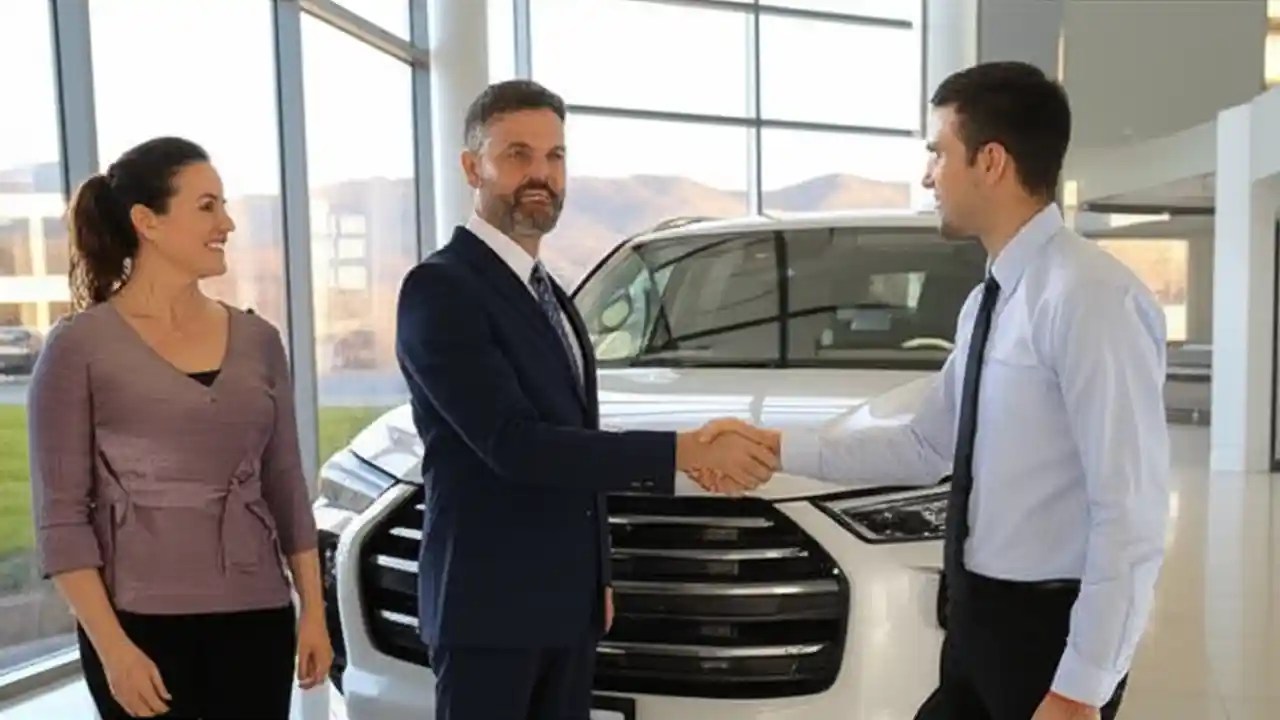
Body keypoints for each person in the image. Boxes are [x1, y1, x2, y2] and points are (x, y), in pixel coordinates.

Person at [698, 61, 1169, 720]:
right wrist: (773, 447)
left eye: (938, 153)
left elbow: (1131, 512)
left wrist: (1080, 689)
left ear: (992, 161)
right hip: (979, 625)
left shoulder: (1091, 299)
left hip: (1047, 637)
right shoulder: (988, 302)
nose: (927, 176)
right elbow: (926, 444)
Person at [394, 79, 778, 720]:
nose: (540, 174)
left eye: (555, 156)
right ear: (472, 166)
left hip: (565, 609)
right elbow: (514, 445)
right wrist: (684, 451)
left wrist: (594, 576)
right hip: (488, 611)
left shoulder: (550, 294)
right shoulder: (441, 290)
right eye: (517, 154)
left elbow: (575, 431)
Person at [28, 136, 333, 719]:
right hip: (138, 628)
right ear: (147, 221)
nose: (228, 222)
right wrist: (113, 649)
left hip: (257, 619)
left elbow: (287, 485)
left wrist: (312, 610)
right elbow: (61, 519)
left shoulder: (260, 341)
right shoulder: (78, 348)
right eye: (207, 206)